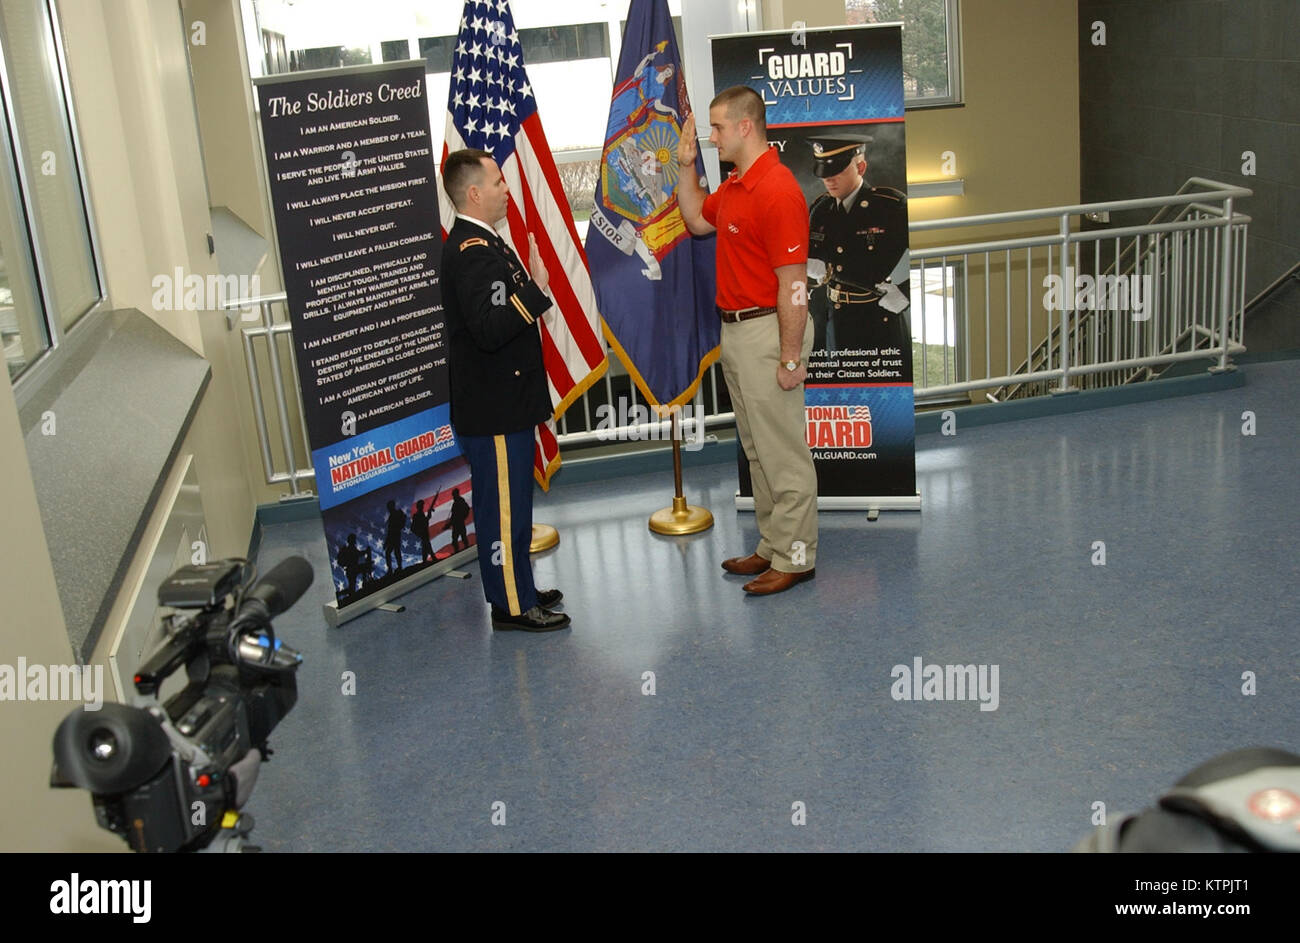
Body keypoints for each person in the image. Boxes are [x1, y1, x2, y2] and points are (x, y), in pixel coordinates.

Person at [676, 86, 818, 596]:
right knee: (758, 450)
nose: (711, 138)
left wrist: (789, 355)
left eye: (715, 129)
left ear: (745, 127)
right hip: (736, 330)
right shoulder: (737, 184)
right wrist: (686, 165)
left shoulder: (777, 190)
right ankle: (771, 547)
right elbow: (695, 221)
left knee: (784, 455)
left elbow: (794, 284)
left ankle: (796, 558)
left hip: (768, 330)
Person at [440, 147, 568, 631]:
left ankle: (519, 586)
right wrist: (534, 290)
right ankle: (512, 607)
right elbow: (489, 329)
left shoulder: (487, 243)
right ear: (474, 193)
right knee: (502, 513)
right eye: (498, 183)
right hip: (493, 409)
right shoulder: (471, 253)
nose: (506, 189)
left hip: (506, 404)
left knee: (514, 507)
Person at [805, 134, 909, 354]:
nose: (829, 180)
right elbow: (811, 258)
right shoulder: (820, 209)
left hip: (878, 319)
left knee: (880, 386)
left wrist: (905, 292)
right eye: (825, 173)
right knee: (838, 384)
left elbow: (922, 255)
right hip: (833, 317)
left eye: (838, 171)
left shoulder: (890, 206)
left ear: (861, 168)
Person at [384, 499, 406, 575]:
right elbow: (390, 530)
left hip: (395, 535)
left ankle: (398, 567)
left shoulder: (396, 514)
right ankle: (392, 568)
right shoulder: (392, 515)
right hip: (393, 536)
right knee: (391, 552)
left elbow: (394, 528)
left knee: (395, 552)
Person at [447, 487, 471, 554]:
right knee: (455, 539)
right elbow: (453, 515)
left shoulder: (460, 501)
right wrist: (449, 524)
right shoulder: (456, 502)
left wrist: (462, 517)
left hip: (459, 522)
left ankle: (466, 549)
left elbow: (467, 509)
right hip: (456, 523)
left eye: (454, 494)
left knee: (462, 537)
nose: (453, 496)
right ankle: (457, 551)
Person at [410, 499, 433, 564]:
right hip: (423, 533)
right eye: (421, 505)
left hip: (424, 532)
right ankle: (432, 558)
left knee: (425, 547)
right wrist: (419, 533)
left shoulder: (421, 514)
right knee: (427, 545)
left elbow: (426, 521)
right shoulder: (417, 515)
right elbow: (413, 527)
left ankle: (425, 561)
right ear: (418, 506)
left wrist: (429, 514)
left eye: (422, 505)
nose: (422, 506)